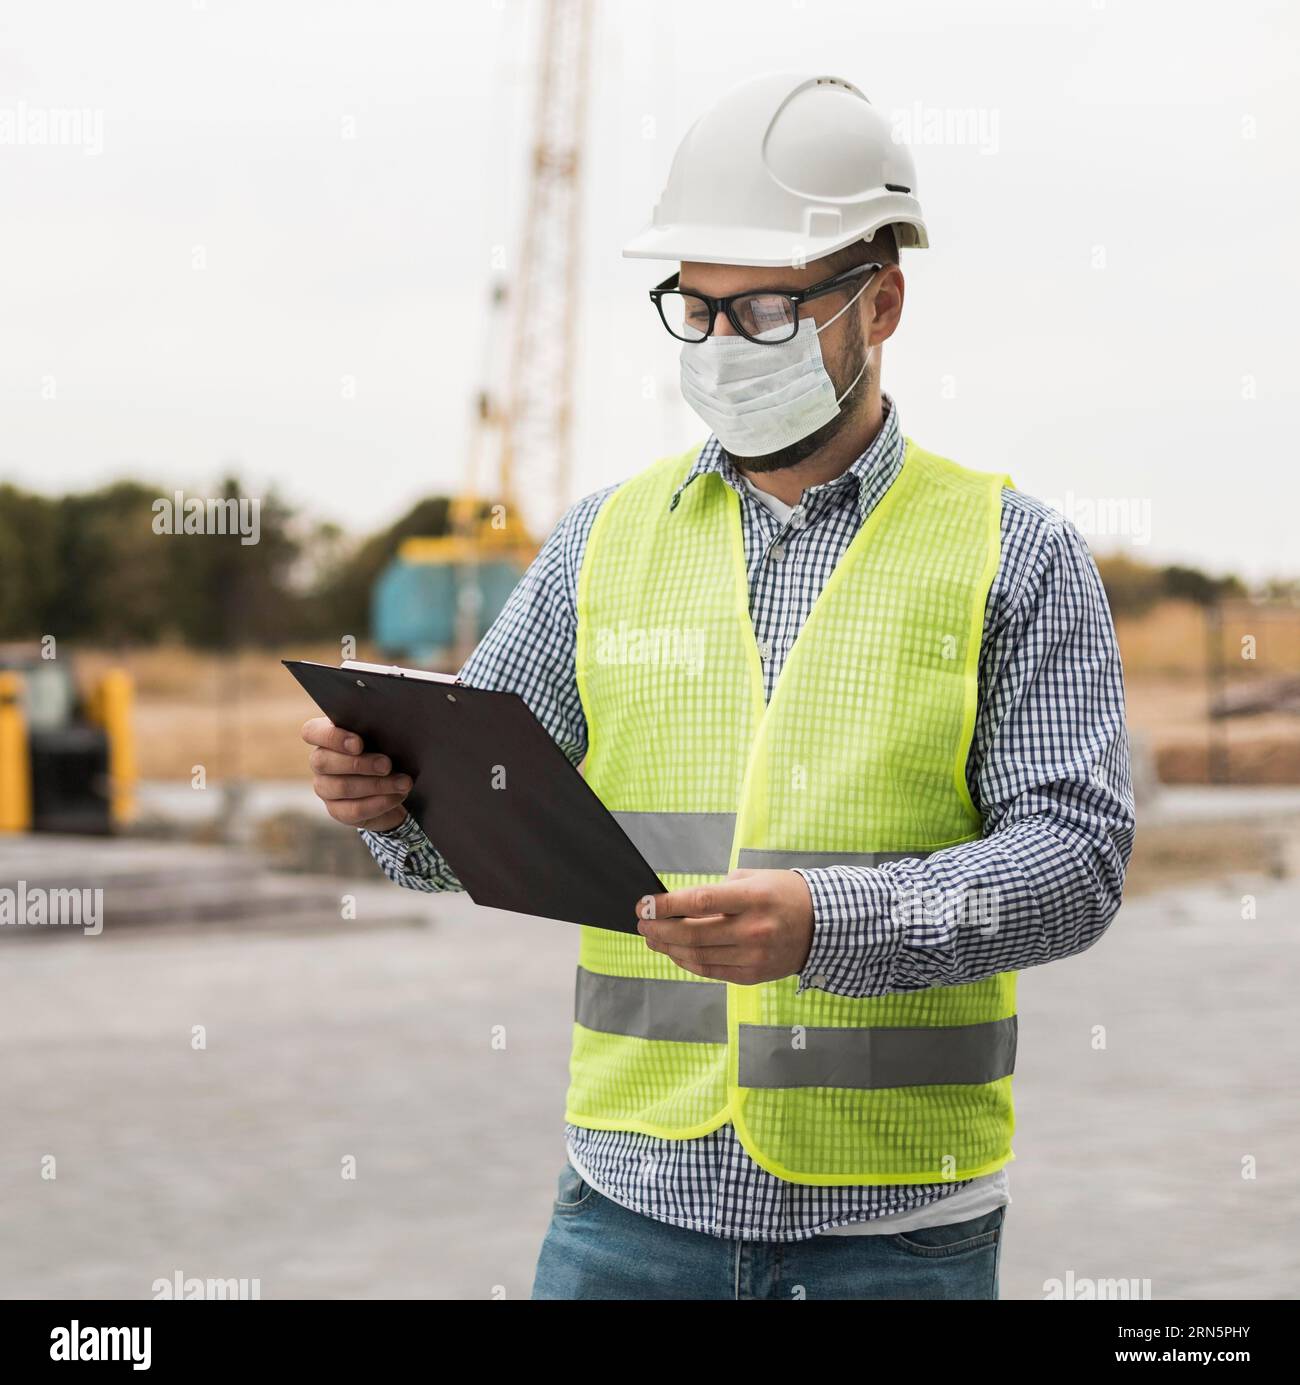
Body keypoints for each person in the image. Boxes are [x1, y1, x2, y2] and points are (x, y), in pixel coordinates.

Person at [300, 72, 1135, 1301]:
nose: (722, 347)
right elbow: (468, 818)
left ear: (881, 302)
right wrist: (390, 806)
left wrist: (826, 923)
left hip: (895, 1234)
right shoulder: (601, 541)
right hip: (624, 1214)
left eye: (764, 313)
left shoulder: (1015, 552)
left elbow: (1075, 861)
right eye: (695, 312)